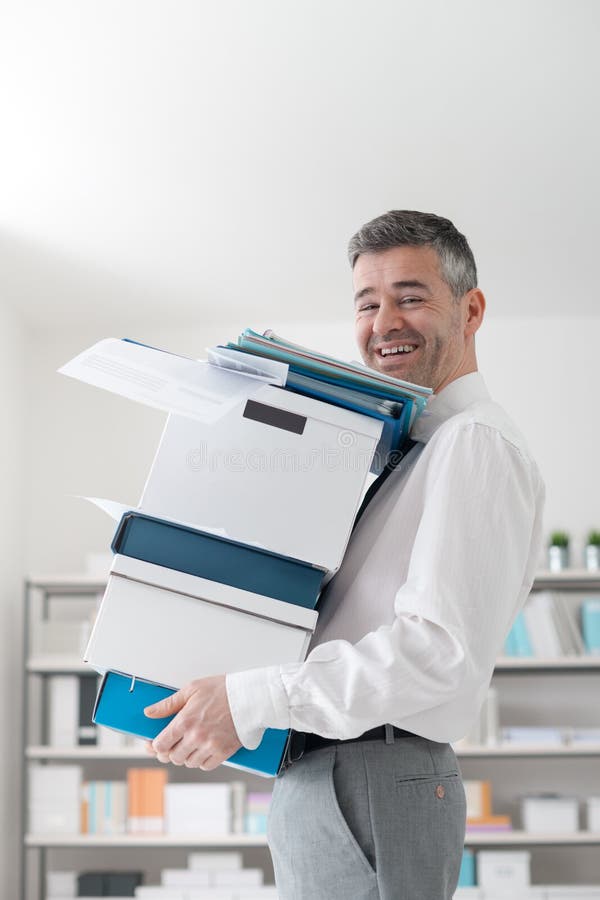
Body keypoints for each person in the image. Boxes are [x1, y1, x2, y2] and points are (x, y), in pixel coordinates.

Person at [144, 210, 545, 900]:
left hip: (371, 773)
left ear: (470, 309)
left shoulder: (473, 445)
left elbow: (435, 656)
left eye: (411, 297)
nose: (385, 321)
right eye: (368, 303)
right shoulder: (414, 450)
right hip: (332, 769)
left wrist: (249, 696)